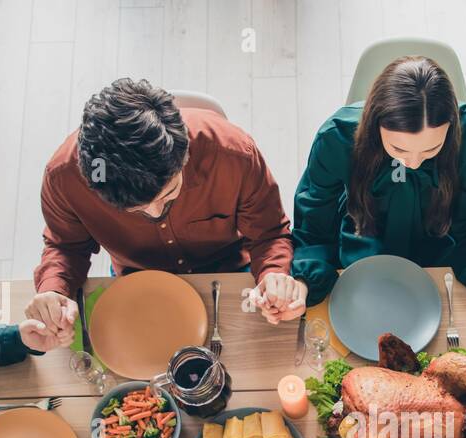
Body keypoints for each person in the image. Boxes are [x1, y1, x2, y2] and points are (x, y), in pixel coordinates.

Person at [28, 78, 302, 330]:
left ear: (183, 155)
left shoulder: (232, 153)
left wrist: (273, 274)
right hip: (137, 281)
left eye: (169, 194)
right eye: (135, 210)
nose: (155, 212)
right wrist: (54, 291)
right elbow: (65, 246)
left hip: (230, 272)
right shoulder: (64, 177)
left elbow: (269, 233)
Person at [289, 56, 466, 315]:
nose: (413, 164)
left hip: (441, 245)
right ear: (374, 124)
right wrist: (302, 287)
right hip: (362, 241)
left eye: (431, 149)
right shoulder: (336, 138)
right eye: (399, 149)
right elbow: (314, 228)